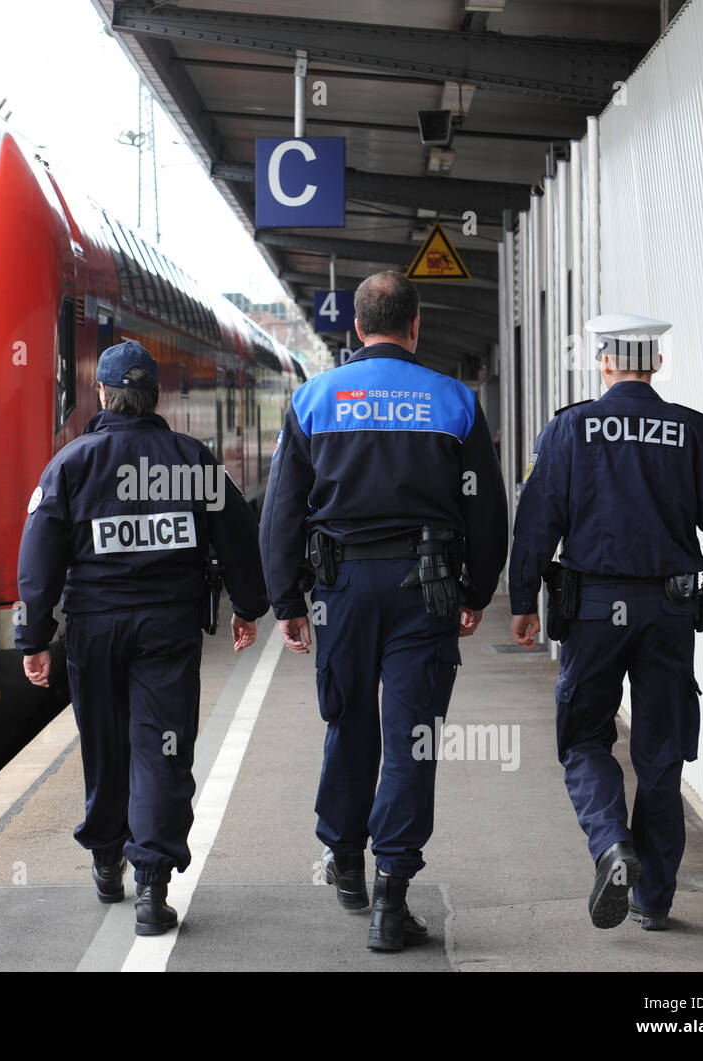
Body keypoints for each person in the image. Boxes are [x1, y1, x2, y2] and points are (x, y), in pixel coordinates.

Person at [260, 270, 508, 952]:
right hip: (422, 592)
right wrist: (478, 590)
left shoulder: (314, 400)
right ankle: (391, 898)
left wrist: (287, 599)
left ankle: (344, 857)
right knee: (411, 739)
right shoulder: (454, 401)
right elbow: (486, 509)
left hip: (340, 593)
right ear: (416, 325)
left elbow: (282, 508)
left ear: (359, 328)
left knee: (348, 723)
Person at [508, 313, 703, 932]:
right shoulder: (695, 435)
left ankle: (612, 844)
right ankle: (654, 899)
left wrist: (520, 601)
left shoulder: (569, 429)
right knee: (662, 753)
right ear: (657, 363)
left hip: (590, 612)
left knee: (587, 737)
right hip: (668, 612)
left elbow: (537, 522)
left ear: (605, 362)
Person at [16, 340, 269, 937]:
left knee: (104, 744)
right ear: (157, 395)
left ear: (102, 393)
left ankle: (107, 860)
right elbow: (238, 536)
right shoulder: (193, 461)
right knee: (163, 750)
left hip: (93, 629)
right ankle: (152, 888)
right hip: (168, 630)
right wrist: (251, 608)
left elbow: (38, 558)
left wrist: (32, 637)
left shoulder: (71, 464)